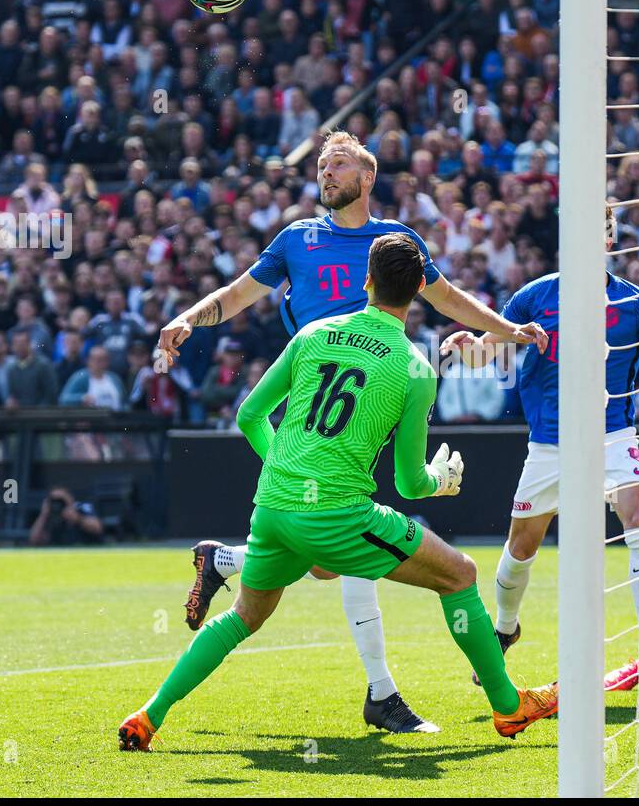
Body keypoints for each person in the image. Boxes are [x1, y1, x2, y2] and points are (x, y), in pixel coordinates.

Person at [155, 130, 547, 733]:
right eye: (321, 164)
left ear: (367, 177)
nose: (326, 172)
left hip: (371, 395)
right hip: (316, 393)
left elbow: (449, 300)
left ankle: (226, 561)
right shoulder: (297, 239)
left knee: (324, 562)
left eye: (338, 164)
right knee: (354, 546)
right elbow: (238, 295)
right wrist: (188, 317)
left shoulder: (395, 245)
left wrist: (508, 330)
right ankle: (386, 693)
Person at [449, 209, 639, 690]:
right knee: (521, 545)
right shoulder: (536, 295)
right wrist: (469, 347)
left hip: (612, 435)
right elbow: (489, 349)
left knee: (638, 515)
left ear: (609, 238)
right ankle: (506, 629)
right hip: (550, 444)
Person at [30, 486, 104, 546]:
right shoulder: (49, 514)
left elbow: (97, 528)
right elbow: (34, 540)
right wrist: (43, 515)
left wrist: (77, 518)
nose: (58, 504)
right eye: (55, 500)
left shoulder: (81, 507)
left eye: (60, 500)